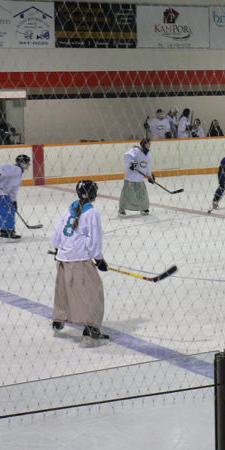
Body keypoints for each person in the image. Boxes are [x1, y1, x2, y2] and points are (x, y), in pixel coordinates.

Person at [50, 180, 110, 341]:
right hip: (79, 258)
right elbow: (94, 239)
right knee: (93, 292)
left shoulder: (70, 209)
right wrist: (99, 259)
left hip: (63, 257)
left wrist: (57, 249)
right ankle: (91, 327)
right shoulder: (92, 213)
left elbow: (57, 232)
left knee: (63, 289)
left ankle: (59, 319)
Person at [0, 154, 31, 240]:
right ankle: (8, 232)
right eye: (27, 162)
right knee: (8, 212)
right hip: (0, 194)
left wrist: (14, 201)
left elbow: (13, 188)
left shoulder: (17, 170)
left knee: (3, 212)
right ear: (22, 163)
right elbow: (1, 167)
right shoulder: (16, 169)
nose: (28, 164)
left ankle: (4, 231)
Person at [119, 138, 155, 216]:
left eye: (149, 144)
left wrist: (150, 176)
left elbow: (147, 167)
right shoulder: (136, 150)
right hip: (130, 178)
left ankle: (144, 208)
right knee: (127, 194)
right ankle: (122, 209)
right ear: (143, 144)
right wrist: (131, 163)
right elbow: (127, 155)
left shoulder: (148, 155)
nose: (148, 145)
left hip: (140, 179)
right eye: (147, 144)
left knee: (143, 194)